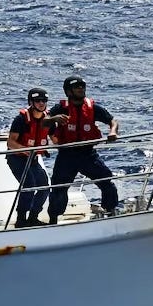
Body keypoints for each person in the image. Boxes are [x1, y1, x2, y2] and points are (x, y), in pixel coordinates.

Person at [46, 75, 120, 221]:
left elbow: (112, 121)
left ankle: (110, 212)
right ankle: (53, 220)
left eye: (82, 86)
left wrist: (113, 132)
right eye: (76, 87)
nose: (81, 89)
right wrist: (54, 119)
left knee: (107, 183)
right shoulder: (60, 108)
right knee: (58, 191)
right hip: (67, 155)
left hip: (88, 155)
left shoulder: (93, 108)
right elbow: (44, 121)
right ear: (68, 91)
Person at [5, 87, 61, 227]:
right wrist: (25, 150)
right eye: (38, 101)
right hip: (17, 158)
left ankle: (33, 217)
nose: (42, 103)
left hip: (33, 160)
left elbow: (55, 139)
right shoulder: (21, 119)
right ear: (31, 102)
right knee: (29, 185)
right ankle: (21, 219)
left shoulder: (48, 120)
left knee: (44, 187)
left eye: (44, 100)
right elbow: (10, 142)